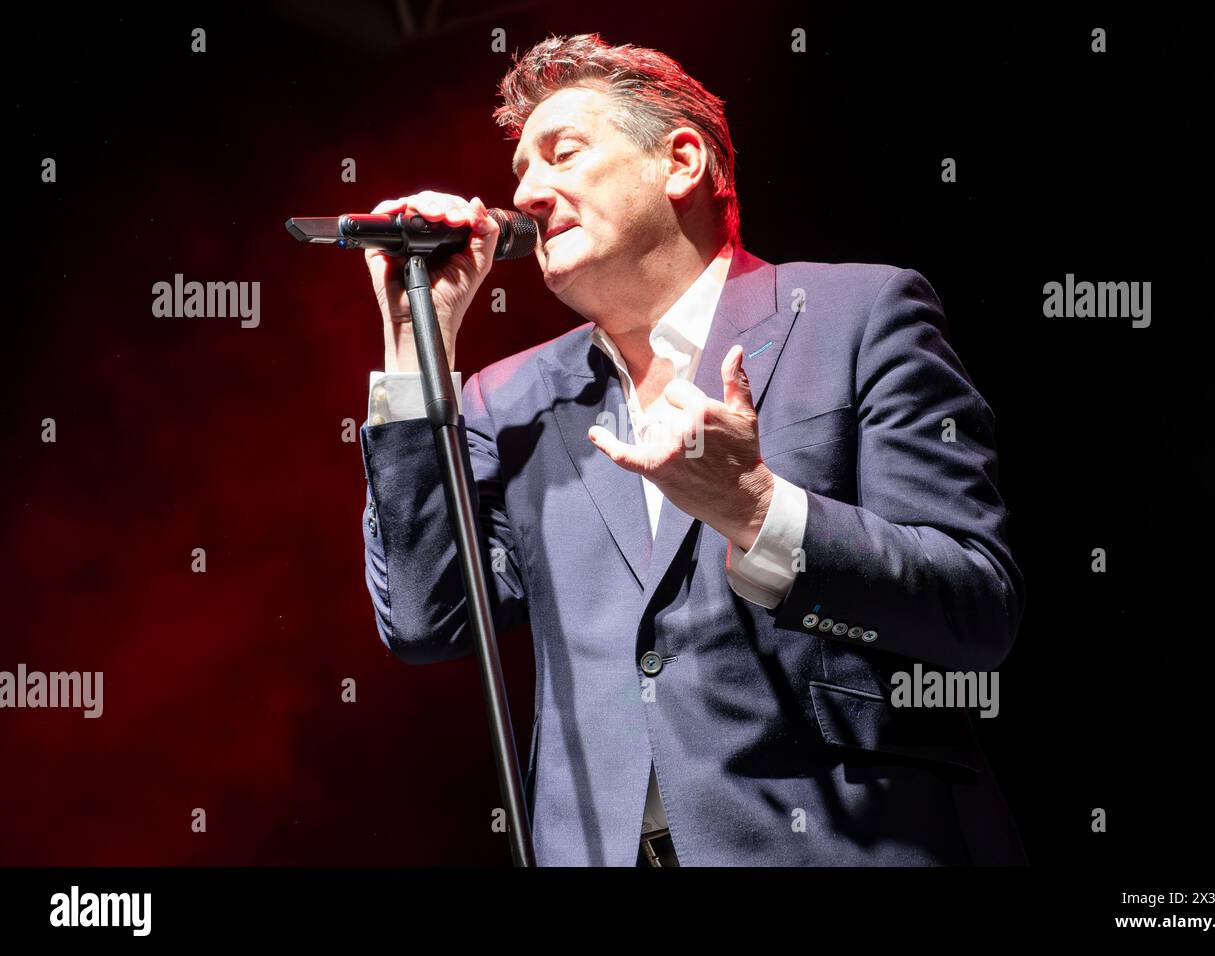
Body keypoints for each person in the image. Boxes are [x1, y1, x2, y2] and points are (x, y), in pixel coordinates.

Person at [358, 33, 1026, 866]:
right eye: (519, 172)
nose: (527, 194)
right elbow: (428, 621)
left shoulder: (858, 316)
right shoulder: (508, 396)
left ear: (680, 161)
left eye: (562, 154)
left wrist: (757, 510)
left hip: (843, 844)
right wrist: (412, 350)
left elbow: (975, 607)